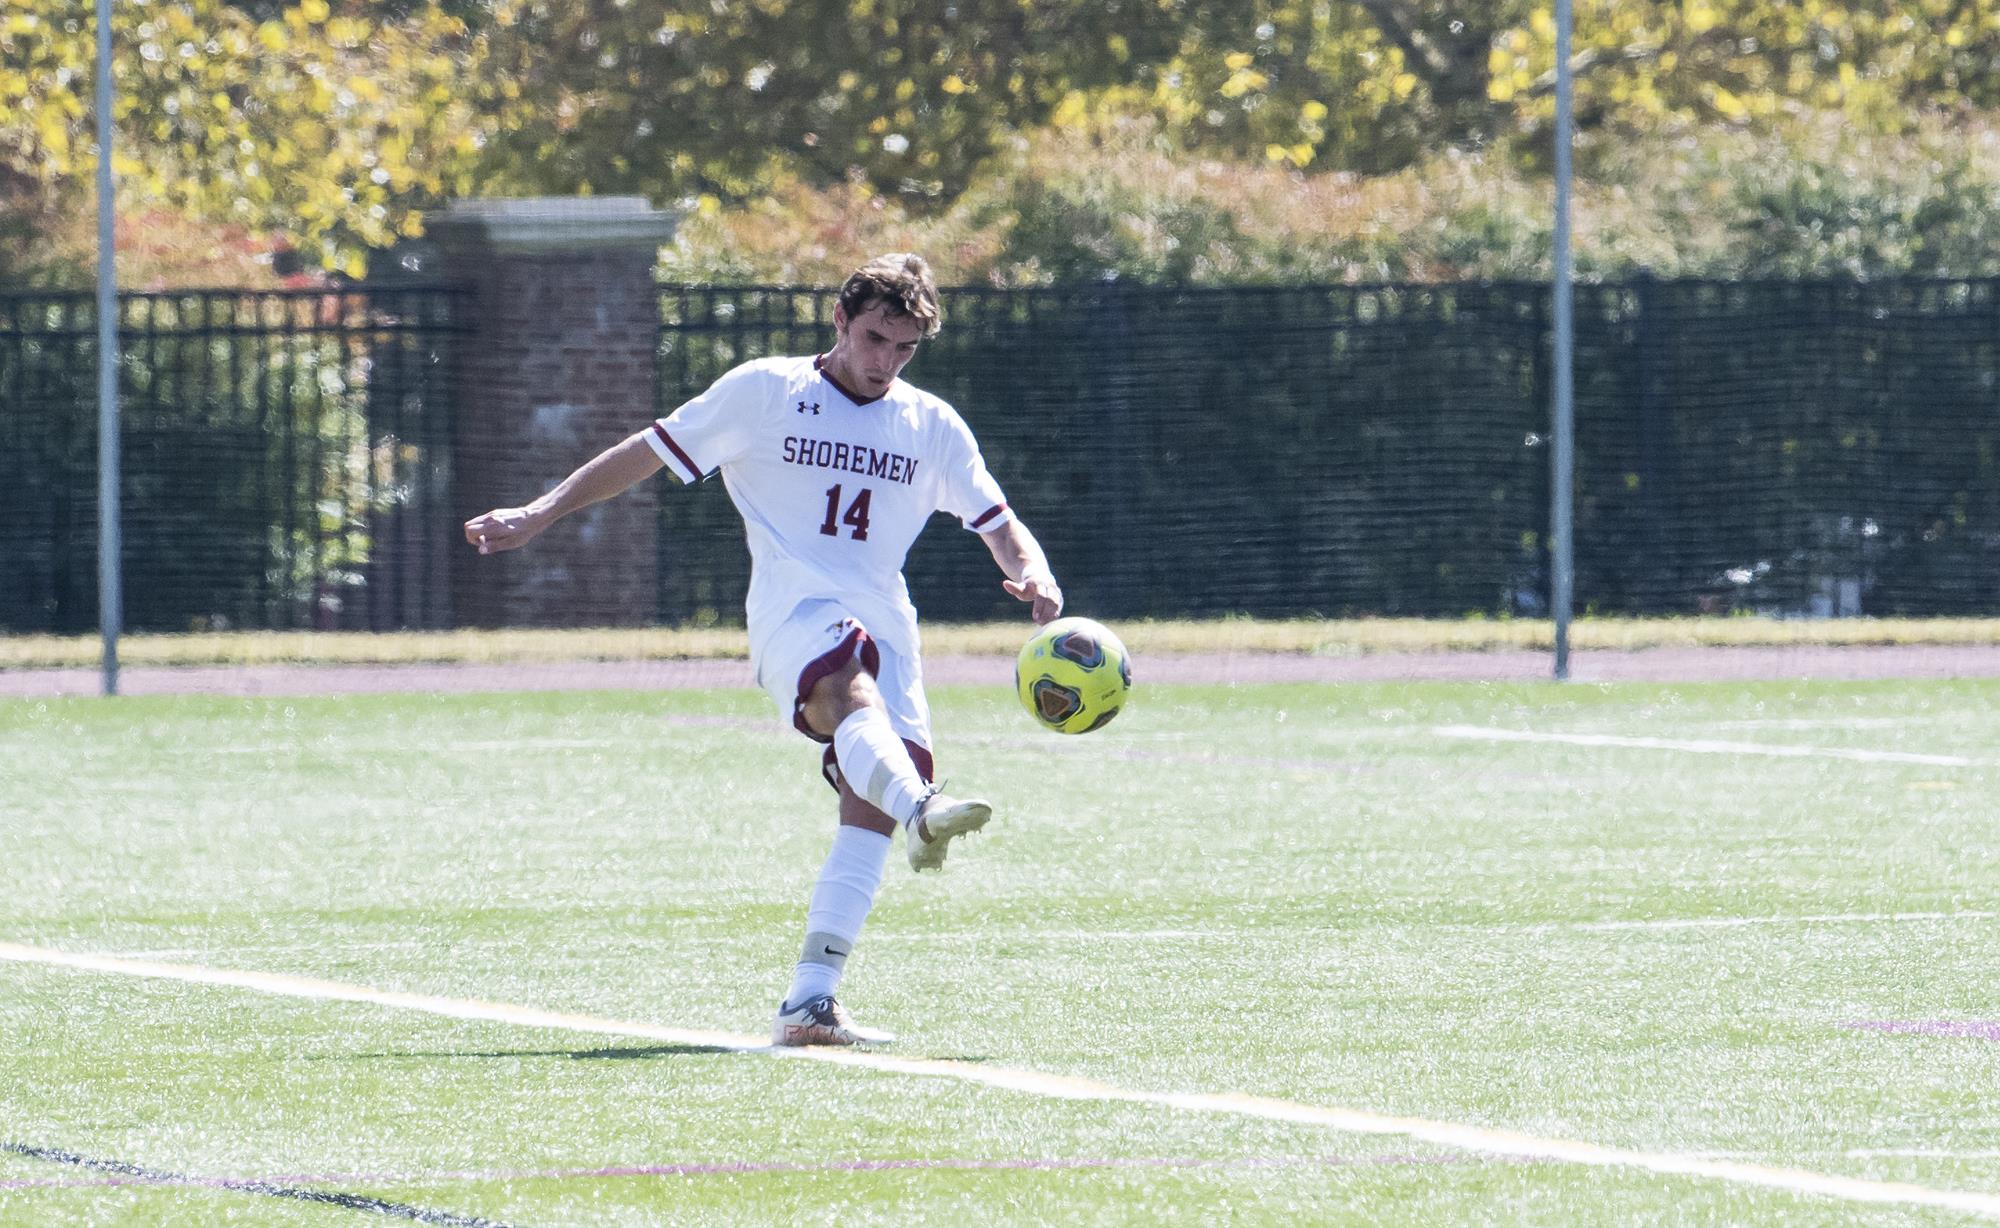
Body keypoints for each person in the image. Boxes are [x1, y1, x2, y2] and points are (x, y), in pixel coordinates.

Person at [462, 253, 1063, 1047]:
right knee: (852, 694)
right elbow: (647, 450)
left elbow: (997, 522)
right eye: (875, 339)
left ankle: (810, 1001)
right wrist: (540, 512)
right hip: (793, 606)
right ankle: (923, 808)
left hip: (888, 621)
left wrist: (1034, 571)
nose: (887, 361)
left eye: (905, 348)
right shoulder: (766, 392)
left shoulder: (932, 425)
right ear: (840, 320)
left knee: (866, 813)